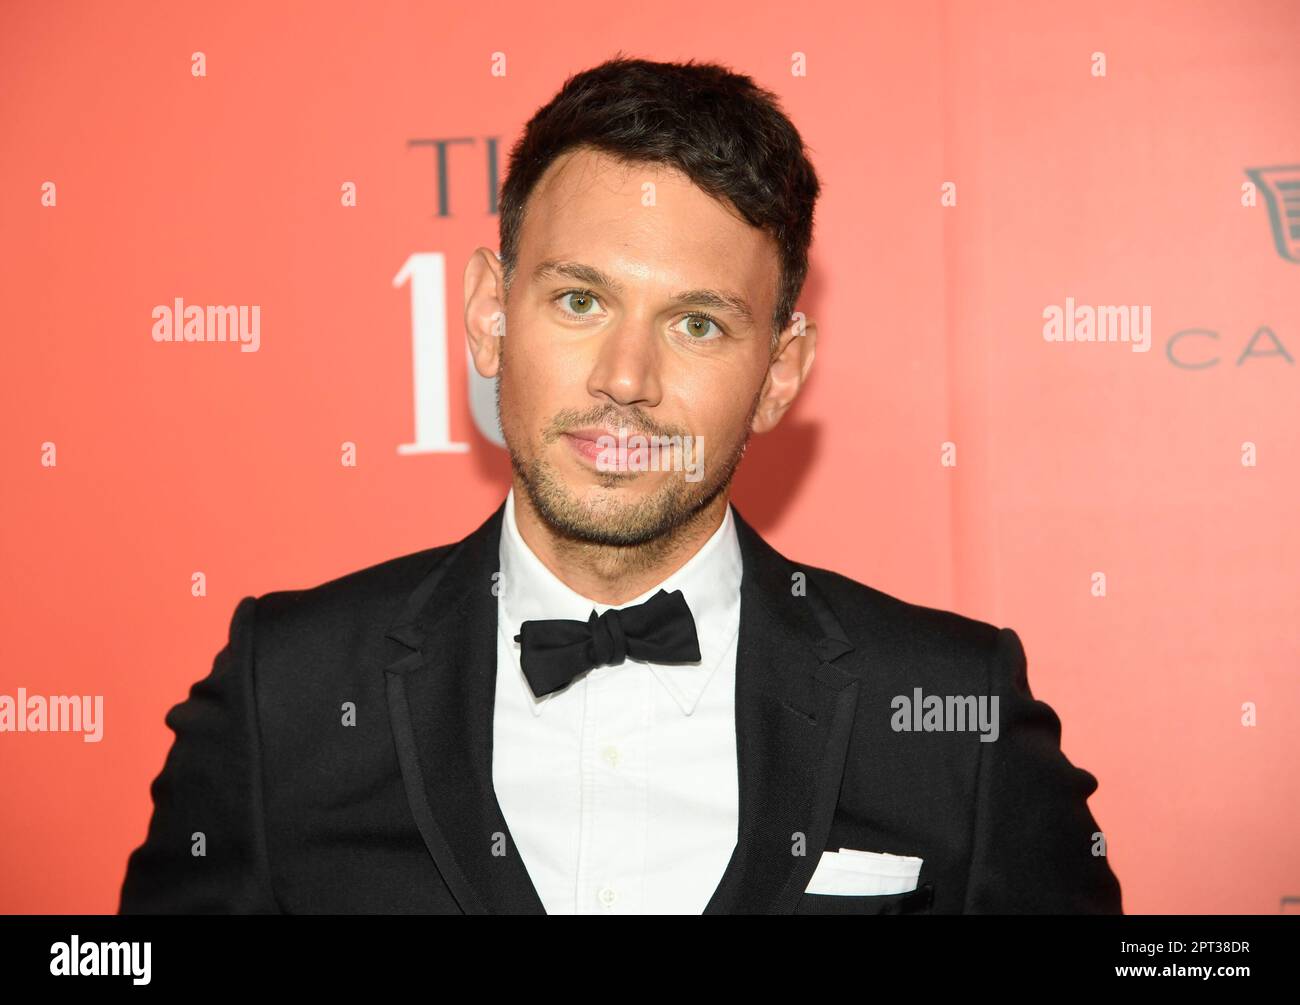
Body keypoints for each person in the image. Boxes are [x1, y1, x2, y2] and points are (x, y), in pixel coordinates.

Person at [119, 55, 1122, 915]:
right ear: (485, 313)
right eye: (579, 299)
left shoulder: (953, 709)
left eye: (697, 324)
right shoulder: (284, 693)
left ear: (778, 373)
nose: (624, 380)